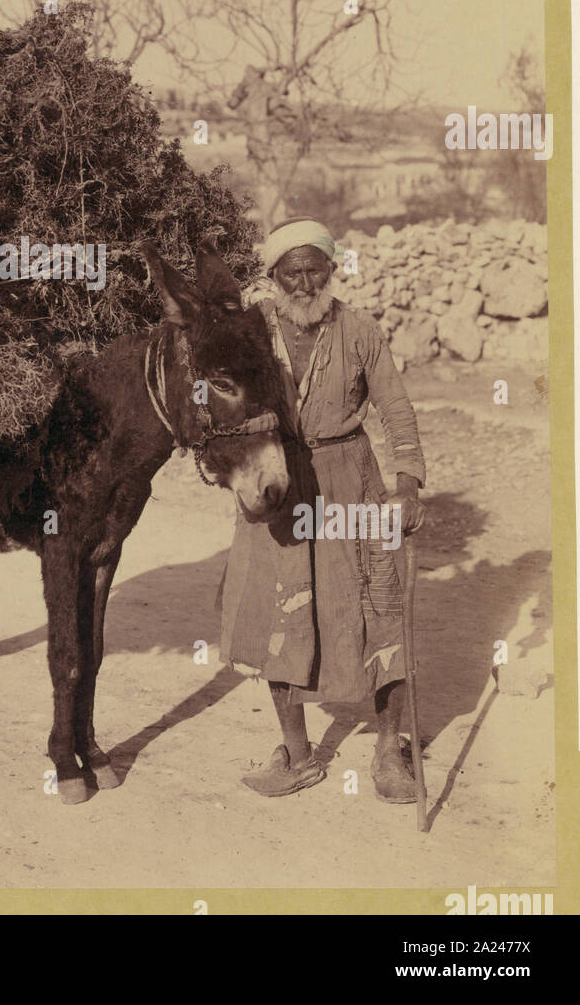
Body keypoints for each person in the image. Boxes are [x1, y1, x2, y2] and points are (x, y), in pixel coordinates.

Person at [219, 216, 426, 801]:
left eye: (316, 270)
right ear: (273, 276)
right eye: (292, 272)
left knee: (376, 604)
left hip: (351, 483)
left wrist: (408, 482)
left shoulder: (359, 330)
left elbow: (396, 408)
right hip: (277, 483)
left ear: (332, 271)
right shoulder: (252, 334)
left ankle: (390, 752)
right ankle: (297, 752)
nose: (305, 283)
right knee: (276, 611)